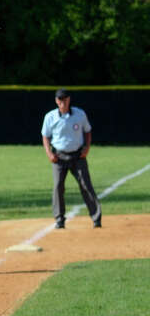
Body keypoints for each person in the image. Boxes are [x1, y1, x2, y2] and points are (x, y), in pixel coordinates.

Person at [41, 88, 102, 229]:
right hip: (59, 157)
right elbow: (45, 136)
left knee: (86, 185)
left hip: (77, 155)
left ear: (69, 99)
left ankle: (96, 218)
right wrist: (49, 153)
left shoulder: (79, 114)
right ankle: (59, 219)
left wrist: (87, 147)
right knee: (58, 187)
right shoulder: (50, 117)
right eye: (60, 99)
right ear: (56, 101)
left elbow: (87, 131)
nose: (62, 102)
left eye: (65, 98)